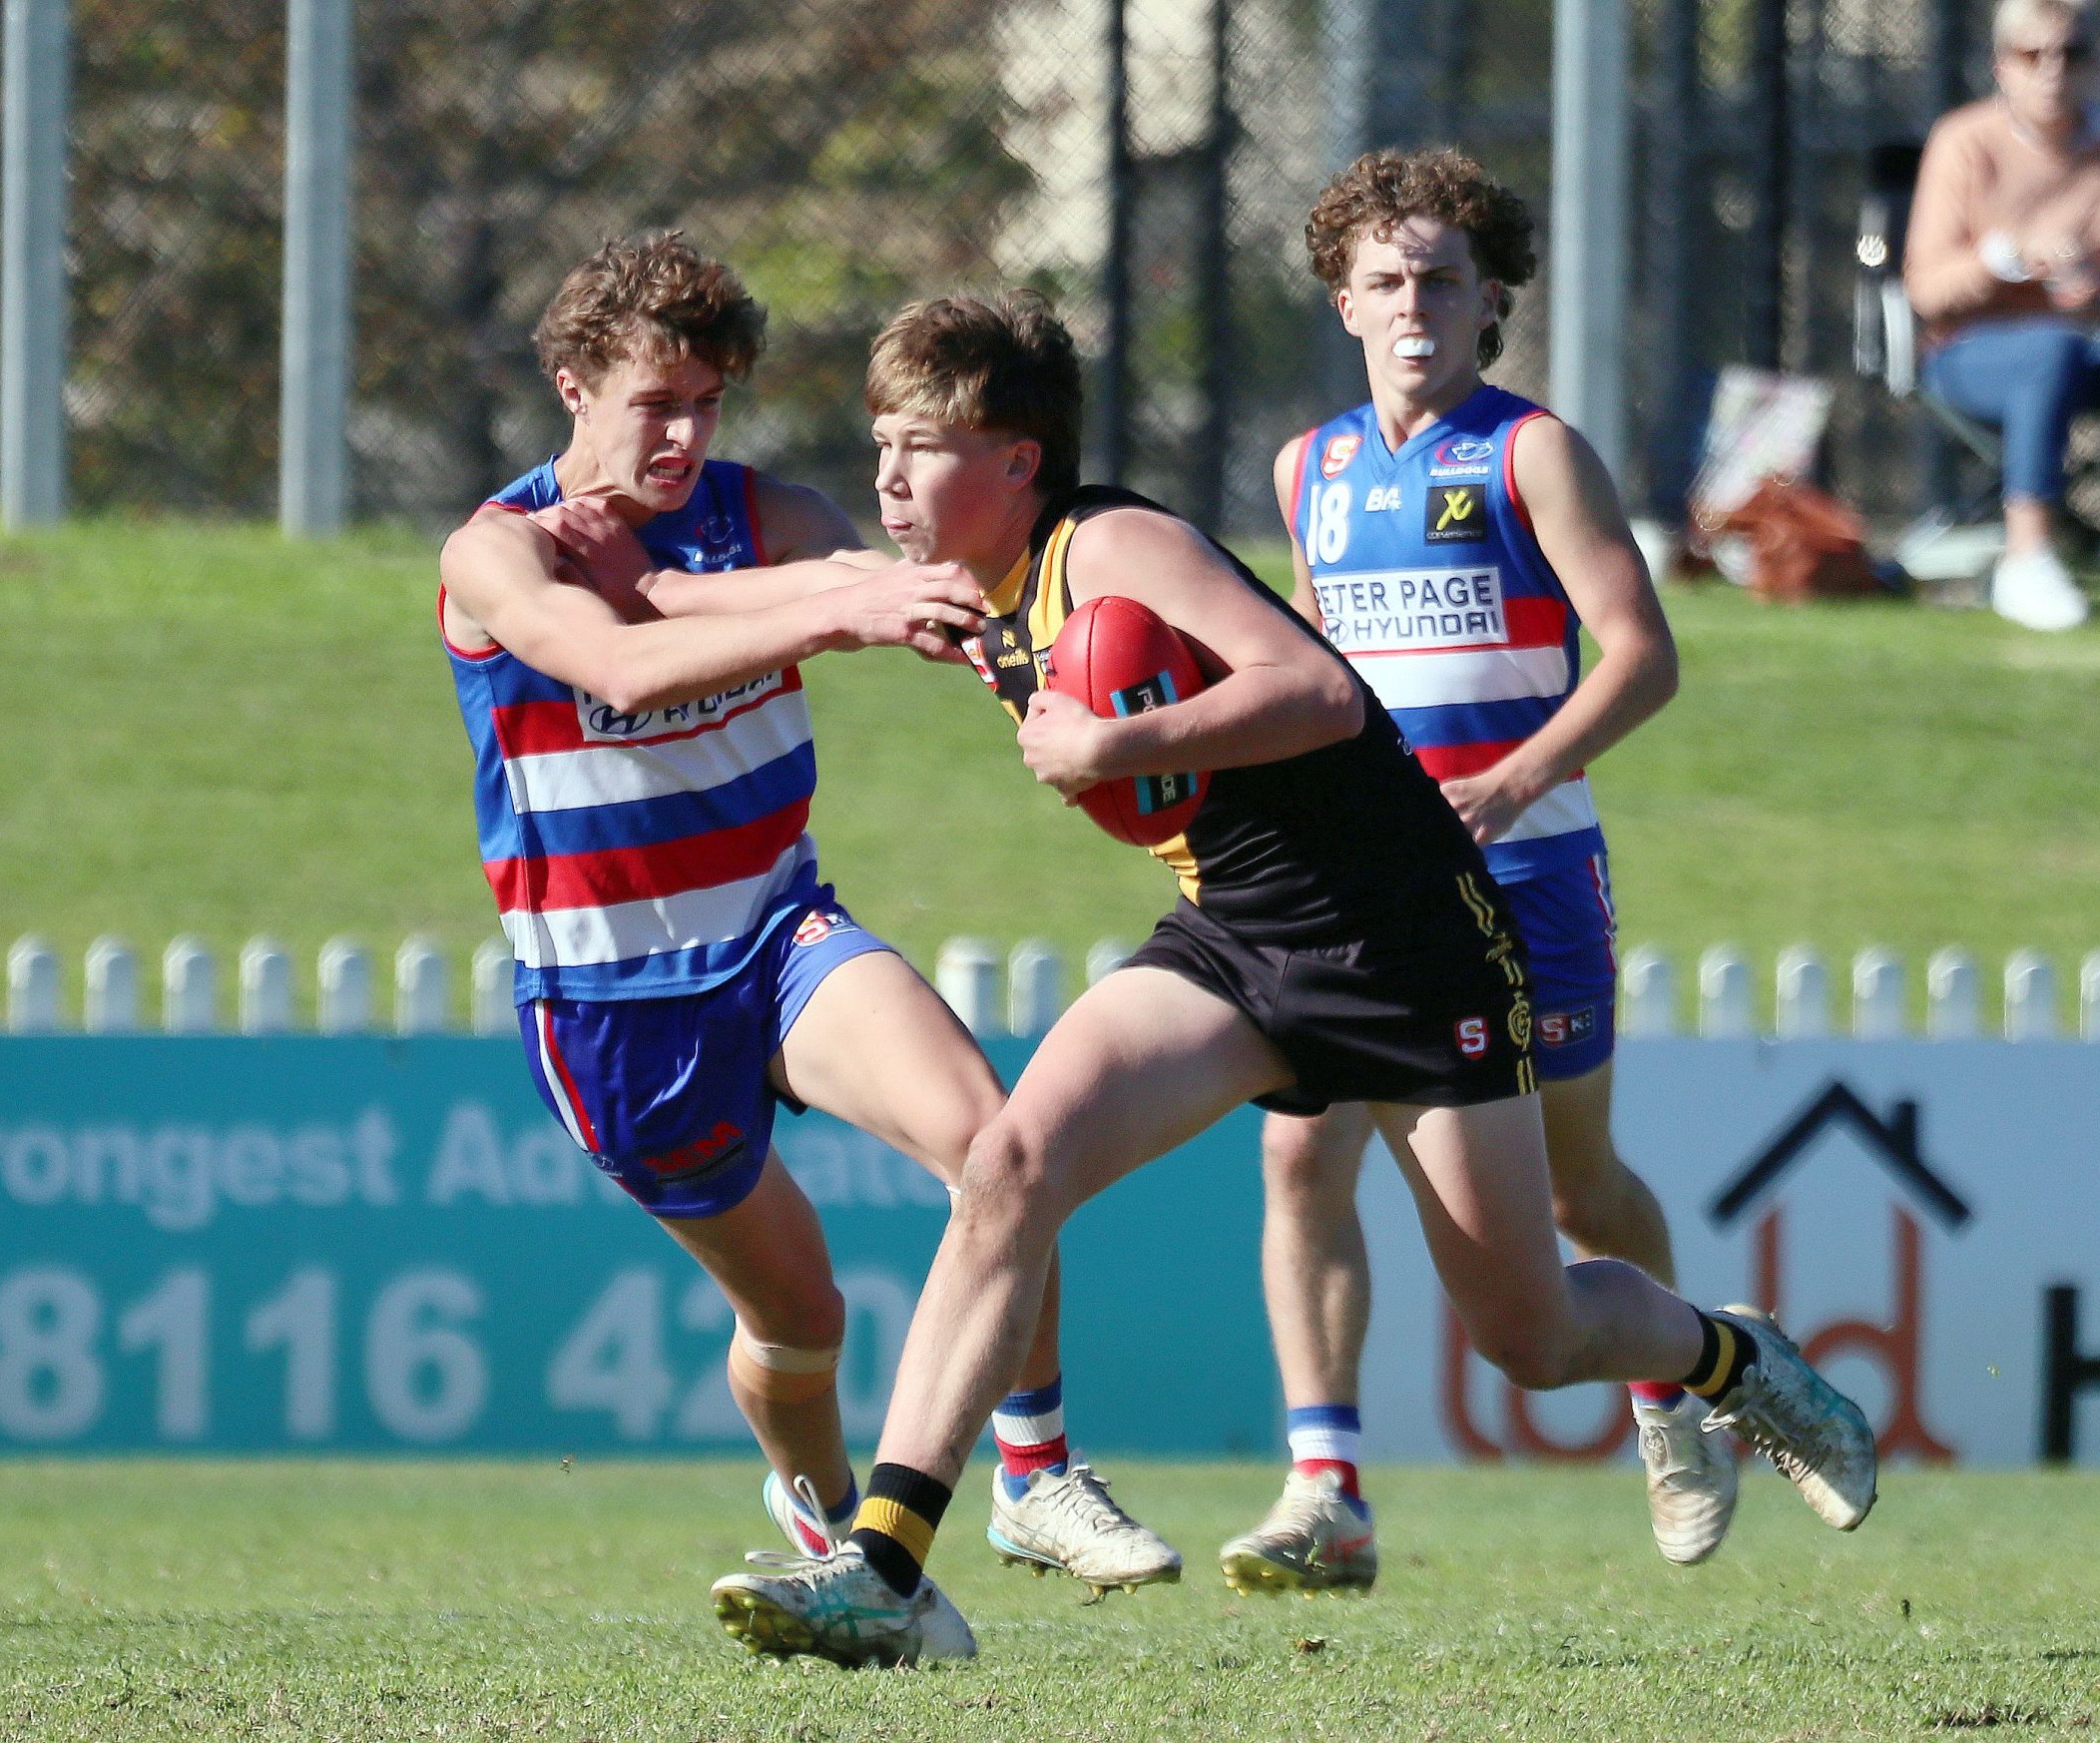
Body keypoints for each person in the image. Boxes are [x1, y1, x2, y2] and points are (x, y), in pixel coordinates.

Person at [708, 290, 1879, 1667]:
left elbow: (1319, 689)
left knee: (1534, 1328)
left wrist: (1108, 745)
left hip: (1409, 948)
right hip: (1237, 945)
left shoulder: (1113, 542)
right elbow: (805, 585)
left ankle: (1735, 1360)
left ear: (1019, 458)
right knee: (1013, 1160)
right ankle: (888, 1565)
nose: (889, 476)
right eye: (880, 444)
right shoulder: (971, 588)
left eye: (920, 444)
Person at [436, 236, 1181, 1648]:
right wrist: (842, 609)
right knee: (801, 1318)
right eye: (654, 401)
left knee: (997, 1142)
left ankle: (1032, 1466)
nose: (683, 435)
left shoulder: (761, 515)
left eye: (708, 403)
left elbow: (876, 569)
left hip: (781, 932)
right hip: (614, 1003)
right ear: (570, 381)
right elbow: (612, 658)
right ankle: (827, 1508)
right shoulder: (497, 547)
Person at [1213, 147, 1727, 1597]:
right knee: (1298, 1146)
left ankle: (1670, 1396)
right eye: (1385, 280)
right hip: (1362, 886)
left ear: (1491, 294)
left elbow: (1644, 654)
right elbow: (1304, 671)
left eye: (1442, 277)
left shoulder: (1531, 452)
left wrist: (1516, 777)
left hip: (1530, 875)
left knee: (1574, 1193)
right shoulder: (1305, 467)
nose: (1415, 303)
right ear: (1344, 302)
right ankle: (1328, 1487)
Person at [1904, 0, 2100, 632]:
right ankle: (2028, 555)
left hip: (2093, 344)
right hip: (1970, 353)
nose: (2053, 71)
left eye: (2072, 54)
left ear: (2093, 64)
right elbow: (1926, 290)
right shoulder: (1964, 141)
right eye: (2033, 55)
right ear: (2003, 66)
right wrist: (2008, 261)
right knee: (2047, 349)